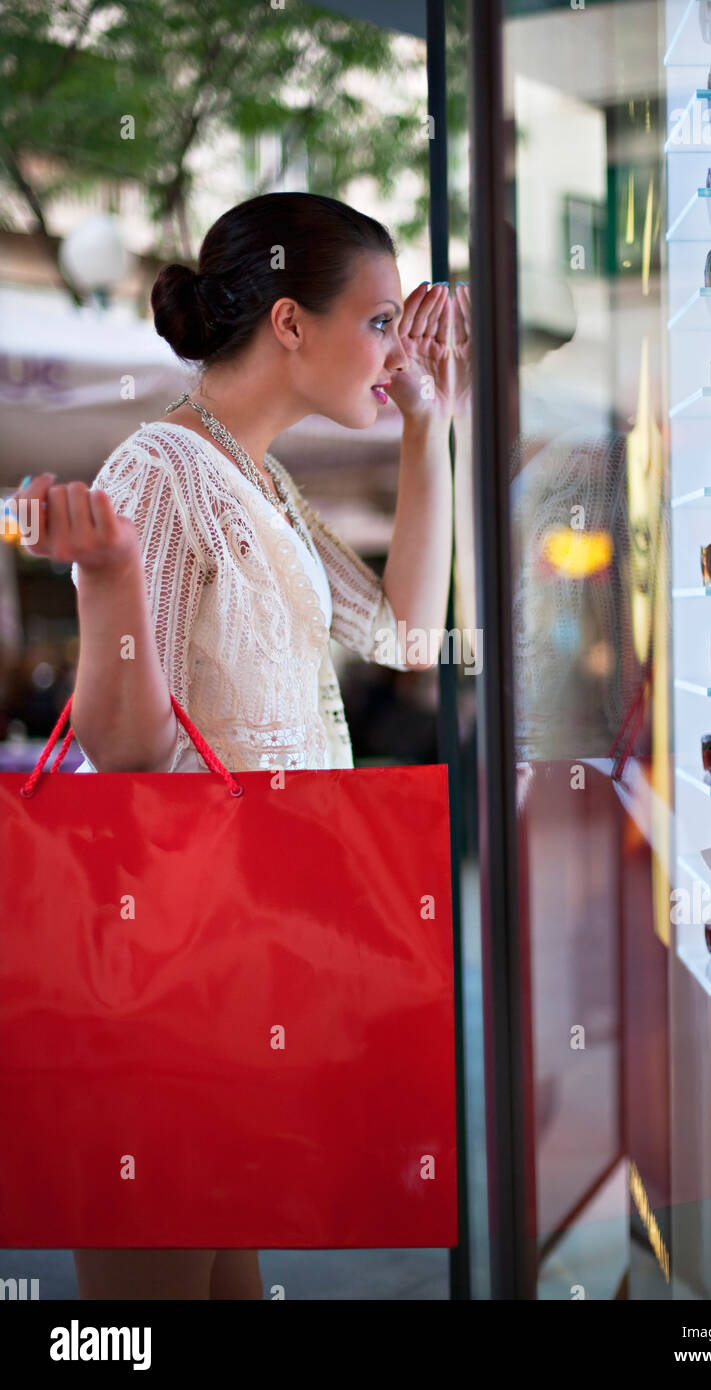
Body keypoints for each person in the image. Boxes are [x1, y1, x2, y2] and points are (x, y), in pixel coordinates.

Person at [11, 191, 458, 1298]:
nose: (397, 348)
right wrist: (106, 576)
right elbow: (123, 756)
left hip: (249, 949)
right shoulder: (159, 471)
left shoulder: (260, 479)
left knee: (227, 1277)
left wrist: (427, 427)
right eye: (381, 319)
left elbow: (407, 633)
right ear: (292, 325)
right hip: (172, 950)